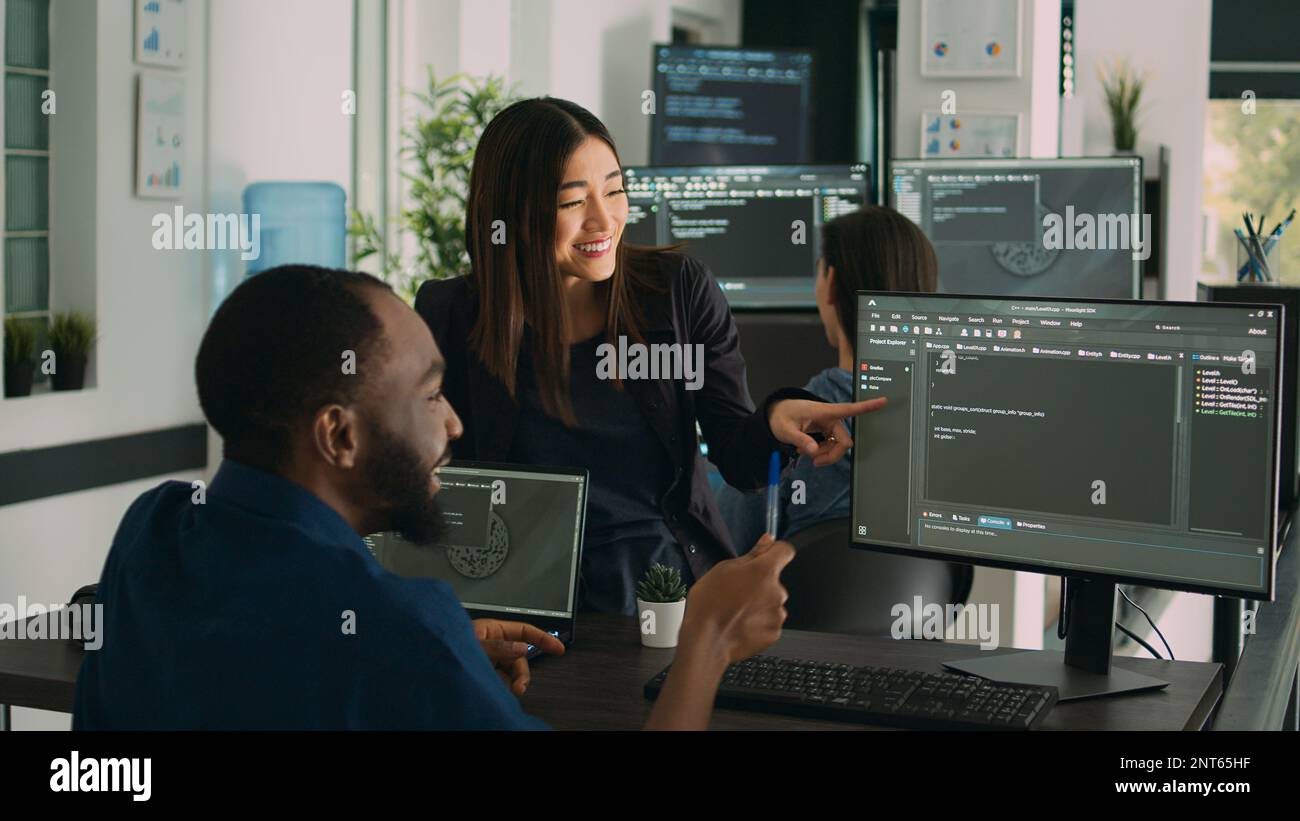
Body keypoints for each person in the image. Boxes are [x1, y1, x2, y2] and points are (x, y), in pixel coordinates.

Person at [73, 264, 794, 730]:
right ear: (339, 436)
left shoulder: (152, 531)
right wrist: (708, 637)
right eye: (428, 395)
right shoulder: (403, 635)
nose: (452, 423)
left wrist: (442, 664)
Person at [415, 97, 884, 614]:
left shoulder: (678, 291)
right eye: (572, 202)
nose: (604, 219)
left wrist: (775, 418)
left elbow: (737, 459)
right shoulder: (452, 313)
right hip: (518, 597)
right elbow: (431, 477)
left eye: (615, 190)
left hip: (662, 589)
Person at [717, 206, 938, 550]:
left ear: (830, 282)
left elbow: (722, 545)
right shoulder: (951, 427)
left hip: (805, 604)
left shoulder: (799, 425)